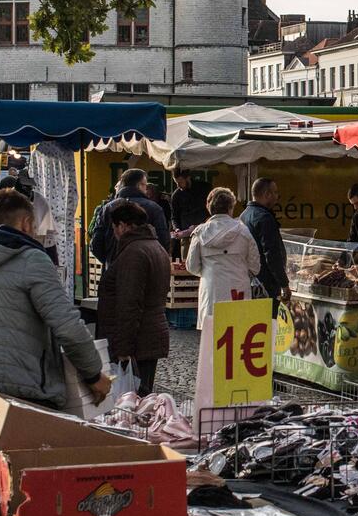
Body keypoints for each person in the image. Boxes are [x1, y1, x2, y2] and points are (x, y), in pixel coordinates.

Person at [0, 189, 109, 444]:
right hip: (19, 393)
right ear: (26, 223)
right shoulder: (32, 259)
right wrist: (94, 375)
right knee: (28, 467)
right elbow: (67, 325)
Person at [95, 202, 171, 396]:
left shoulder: (134, 253)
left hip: (138, 341)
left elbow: (129, 304)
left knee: (132, 400)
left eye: (114, 228)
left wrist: (123, 348)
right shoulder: (155, 247)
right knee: (143, 396)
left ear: (123, 225)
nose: (114, 233)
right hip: (150, 335)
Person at [186, 188, 261, 331]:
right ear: (231, 207)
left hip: (211, 289)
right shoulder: (244, 231)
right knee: (238, 333)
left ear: (209, 207)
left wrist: (206, 271)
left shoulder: (200, 233)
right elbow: (255, 266)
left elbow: (191, 266)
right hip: (238, 289)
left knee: (211, 332)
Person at [90, 169, 170, 266]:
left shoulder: (107, 208)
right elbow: (163, 241)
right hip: (144, 269)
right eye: (145, 185)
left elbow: (96, 244)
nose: (146, 189)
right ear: (139, 185)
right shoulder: (154, 208)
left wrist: (110, 261)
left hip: (113, 268)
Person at [241, 178, 289, 300]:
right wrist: (284, 284)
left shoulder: (244, 215)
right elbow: (272, 254)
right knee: (268, 313)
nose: (277, 197)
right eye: (275, 192)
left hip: (249, 282)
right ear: (267, 194)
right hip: (266, 285)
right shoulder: (265, 218)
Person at [170, 171, 210, 235]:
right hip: (186, 234)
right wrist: (177, 228)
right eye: (176, 182)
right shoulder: (176, 195)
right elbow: (174, 216)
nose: (178, 185)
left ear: (188, 178)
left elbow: (212, 209)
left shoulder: (204, 188)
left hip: (205, 231)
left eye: (180, 182)